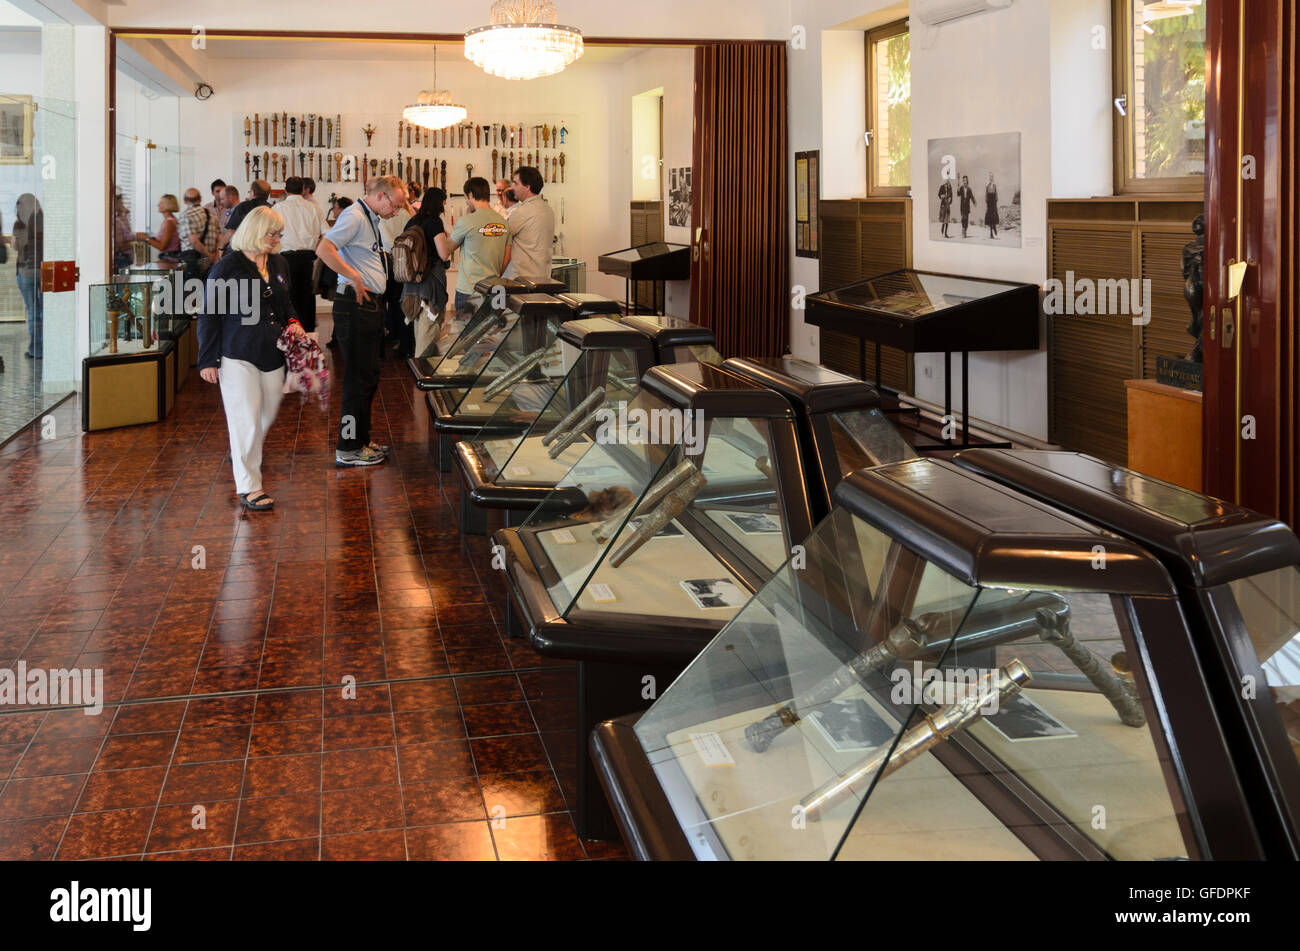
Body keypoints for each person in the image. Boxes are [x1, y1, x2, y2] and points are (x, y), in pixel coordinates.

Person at [198, 206, 304, 511]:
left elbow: (286, 303)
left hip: (272, 352)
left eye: (279, 234)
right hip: (237, 353)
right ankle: (249, 486)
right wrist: (207, 360)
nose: (277, 239)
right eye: (272, 233)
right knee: (245, 419)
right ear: (255, 232)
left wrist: (293, 321)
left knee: (264, 417)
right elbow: (209, 314)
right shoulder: (227, 267)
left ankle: (240, 451)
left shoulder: (280, 263)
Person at [316, 175, 408, 467]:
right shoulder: (354, 216)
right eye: (395, 205)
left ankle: (361, 440)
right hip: (355, 306)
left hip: (368, 305)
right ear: (381, 196)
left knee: (368, 376)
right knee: (357, 379)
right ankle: (348, 448)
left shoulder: (370, 218)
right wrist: (353, 275)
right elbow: (324, 248)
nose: (396, 211)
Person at [402, 187, 454, 359]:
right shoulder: (434, 222)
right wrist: (449, 241)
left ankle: (423, 368)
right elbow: (443, 254)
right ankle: (422, 371)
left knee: (420, 329)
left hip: (411, 283)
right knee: (429, 330)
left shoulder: (412, 221)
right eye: (443, 203)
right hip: (430, 283)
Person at [448, 176, 509, 316]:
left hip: (469, 290)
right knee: (492, 329)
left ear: (471, 195)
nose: (466, 202)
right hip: (495, 289)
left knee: (466, 330)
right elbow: (506, 259)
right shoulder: (504, 222)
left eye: (466, 198)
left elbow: (446, 249)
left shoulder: (466, 221)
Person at [277, 176, 326, 332]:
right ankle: (308, 332)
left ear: (285, 190)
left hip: (285, 258)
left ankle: (289, 332)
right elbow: (326, 233)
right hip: (307, 257)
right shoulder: (314, 208)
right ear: (303, 190)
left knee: (288, 296)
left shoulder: (278, 208)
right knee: (306, 297)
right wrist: (317, 248)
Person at [503, 166, 554, 282]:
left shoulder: (523, 211)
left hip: (521, 280)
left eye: (516, 183)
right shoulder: (547, 209)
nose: (512, 187)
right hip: (542, 277)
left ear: (527, 187)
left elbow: (501, 237)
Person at [13, 194, 43, 359]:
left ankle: (36, 350)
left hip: (26, 272)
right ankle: (48, 348)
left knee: (33, 312)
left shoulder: (19, 224)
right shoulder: (44, 221)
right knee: (45, 311)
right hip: (44, 271)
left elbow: (16, 246)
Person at [177, 188, 221, 287]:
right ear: (200, 199)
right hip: (211, 263)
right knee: (208, 291)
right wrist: (214, 256)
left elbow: (194, 241)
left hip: (192, 263)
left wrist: (208, 255)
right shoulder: (212, 215)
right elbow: (220, 238)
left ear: (185, 201)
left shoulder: (185, 215)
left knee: (192, 293)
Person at [137, 194, 181, 262]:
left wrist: (146, 238)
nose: (158, 205)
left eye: (161, 203)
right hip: (171, 257)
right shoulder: (171, 220)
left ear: (168, 205)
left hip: (169, 258)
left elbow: (162, 247)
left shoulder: (169, 222)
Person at [113, 194, 134, 270]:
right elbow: (121, 246)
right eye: (123, 203)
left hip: (127, 259)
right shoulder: (117, 221)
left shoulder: (124, 220)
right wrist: (134, 243)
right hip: (122, 260)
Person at [216, 185, 240, 252]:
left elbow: (230, 232)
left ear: (231, 198)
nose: (221, 202)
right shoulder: (234, 211)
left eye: (222, 199)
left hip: (234, 251)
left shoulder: (238, 211)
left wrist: (220, 248)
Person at [957, 175, 977, 239]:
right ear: (963, 181)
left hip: (967, 206)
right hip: (962, 206)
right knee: (963, 218)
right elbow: (958, 194)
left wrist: (974, 202)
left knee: (966, 219)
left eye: (966, 180)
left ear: (967, 181)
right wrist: (958, 188)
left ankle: (965, 230)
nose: (965, 182)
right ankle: (963, 230)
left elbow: (971, 196)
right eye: (964, 180)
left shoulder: (969, 189)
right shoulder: (961, 188)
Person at [985, 172, 1000, 239]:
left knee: (994, 215)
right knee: (990, 217)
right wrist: (986, 200)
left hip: (993, 201)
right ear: (989, 178)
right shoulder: (987, 185)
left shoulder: (994, 185)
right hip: (989, 202)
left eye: (992, 177)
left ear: (993, 178)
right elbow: (986, 193)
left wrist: (996, 199)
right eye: (990, 177)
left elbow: (996, 193)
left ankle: (994, 227)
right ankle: (991, 233)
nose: (991, 178)